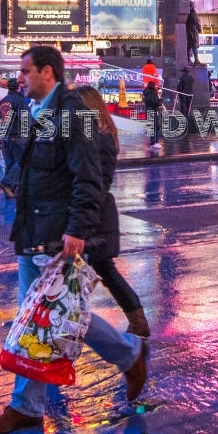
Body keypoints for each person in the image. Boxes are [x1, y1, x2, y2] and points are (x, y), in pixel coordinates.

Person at [0, 47, 149, 434]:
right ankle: (31, 404)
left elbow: (89, 178)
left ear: (48, 73)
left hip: (56, 236)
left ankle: (126, 354)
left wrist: (77, 227)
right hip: (34, 232)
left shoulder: (77, 114)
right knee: (43, 317)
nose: (19, 78)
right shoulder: (38, 113)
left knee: (55, 315)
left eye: (25, 71)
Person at [72, 85, 150, 337]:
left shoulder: (99, 137)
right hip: (96, 210)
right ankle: (136, 322)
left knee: (90, 273)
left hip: (96, 212)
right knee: (102, 271)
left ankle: (125, 330)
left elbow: (97, 180)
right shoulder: (97, 133)